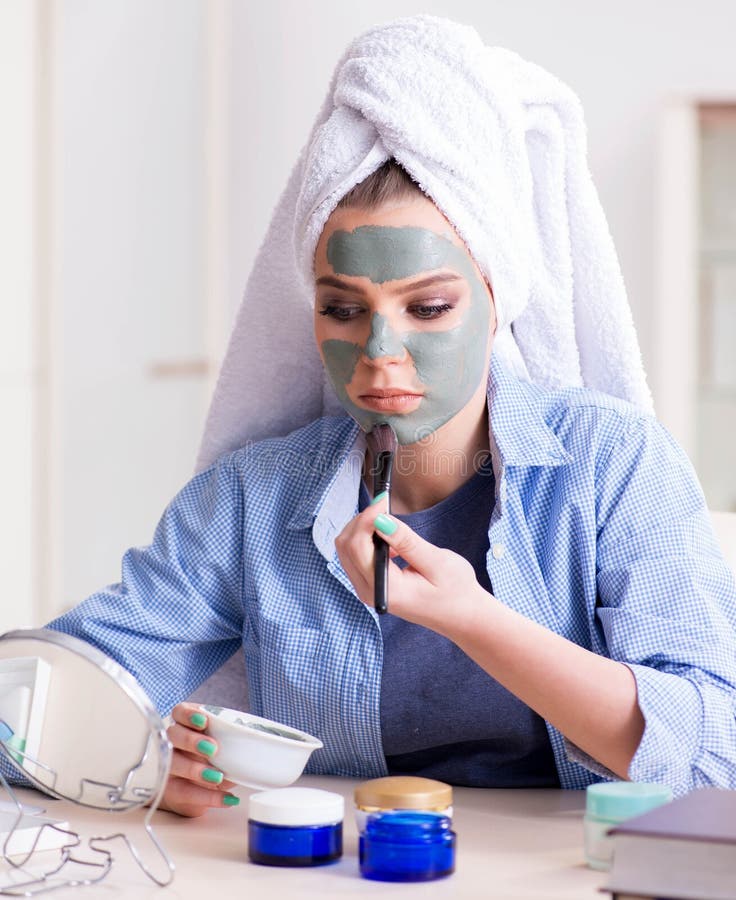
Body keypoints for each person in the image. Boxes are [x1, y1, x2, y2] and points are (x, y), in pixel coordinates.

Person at [8, 16, 736, 818]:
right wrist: (129, 758)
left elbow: (715, 753)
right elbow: (37, 698)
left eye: (427, 306)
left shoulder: (613, 462)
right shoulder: (252, 500)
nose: (380, 350)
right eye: (342, 309)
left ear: (495, 302)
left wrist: (477, 621)